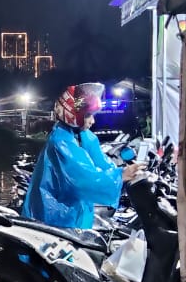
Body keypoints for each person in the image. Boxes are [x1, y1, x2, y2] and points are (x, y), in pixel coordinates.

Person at [22, 83, 141, 229]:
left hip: (75, 212)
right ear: (73, 115)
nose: (93, 121)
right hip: (57, 216)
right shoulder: (61, 142)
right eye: (88, 115)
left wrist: (122, 171)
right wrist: (119, 176)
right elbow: (82, 179)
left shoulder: (83, 136)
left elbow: (102, 162)